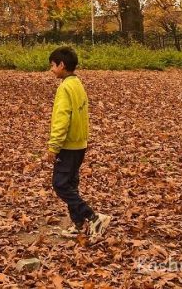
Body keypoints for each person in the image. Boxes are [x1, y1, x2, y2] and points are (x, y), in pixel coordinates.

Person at [41, 46, 111, 239]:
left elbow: (61, 119)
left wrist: (53, 147)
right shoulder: (77, 83)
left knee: (60, 184)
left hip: (68, 146)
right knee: (70, 184)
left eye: (52, 66)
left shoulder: (64, 88)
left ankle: (93, 216)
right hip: (80, 144)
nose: (51, 70)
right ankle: (79, 224)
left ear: (61, 65)